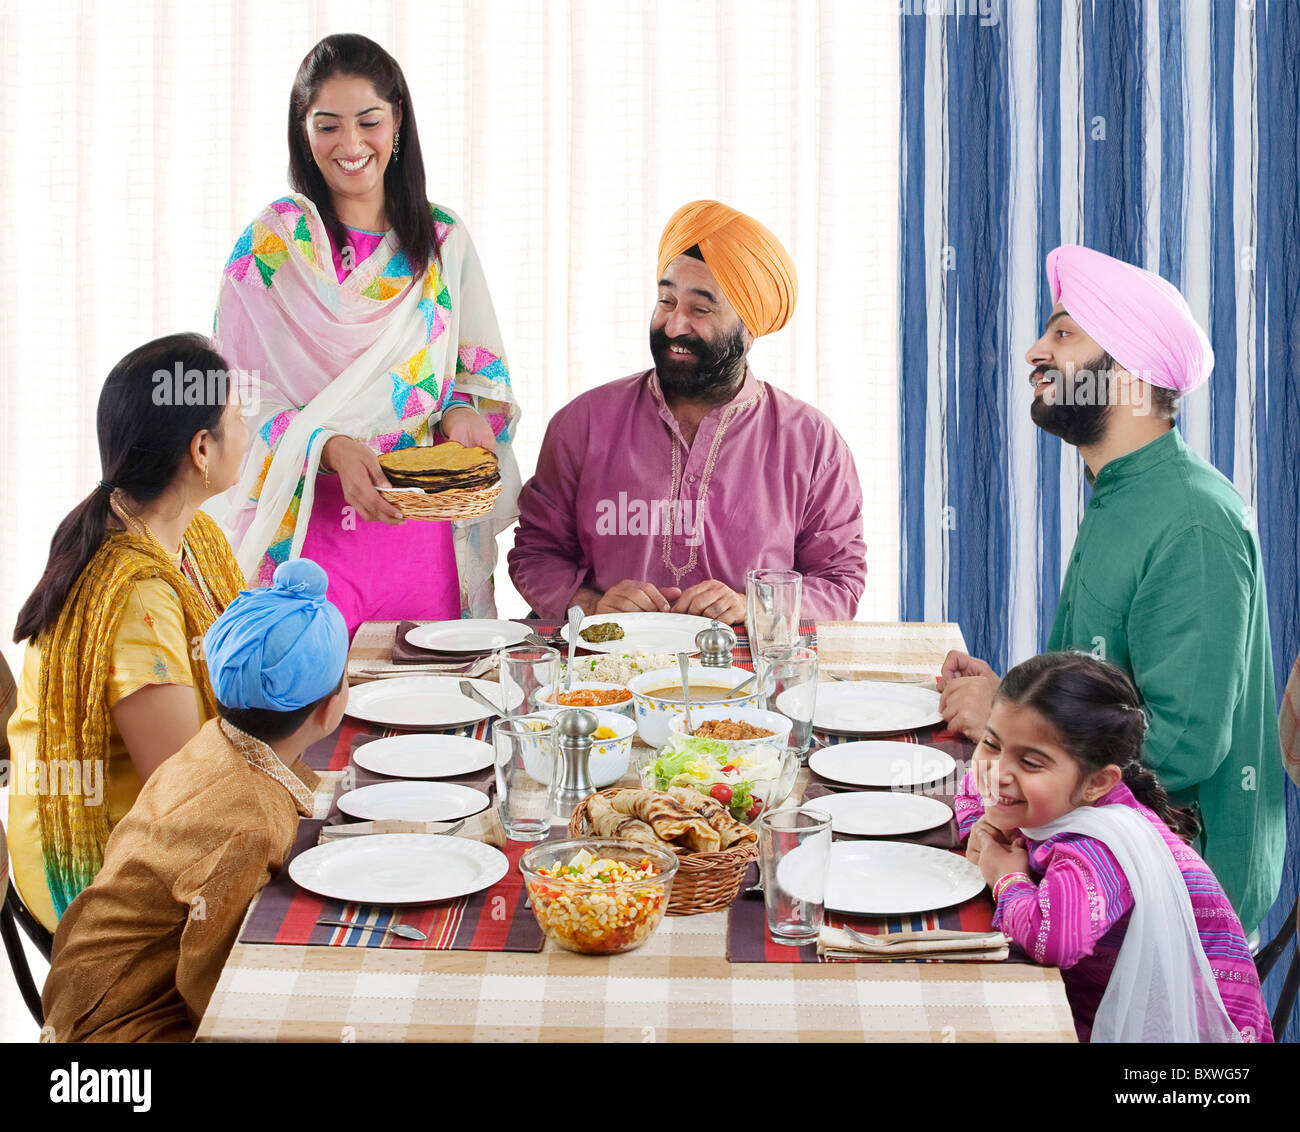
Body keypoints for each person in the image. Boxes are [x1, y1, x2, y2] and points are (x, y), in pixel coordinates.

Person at [940, 245, 1285, 935]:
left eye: (1064, 333)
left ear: (1128, 376)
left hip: (1177, 881)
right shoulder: (1123, 490)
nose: (1035, 351)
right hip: (1093, 838)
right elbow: (1104, 696)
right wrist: (1013, 695)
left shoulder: (1192, 521)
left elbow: (1182, 746)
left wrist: (1005, 727)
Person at [216, 33, 520, 637]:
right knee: (308, 717)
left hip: (424, 538)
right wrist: (327, 445)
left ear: (398, 121)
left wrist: (463, 412)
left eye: (368, 121)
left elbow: (473, 372)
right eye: (327, 125)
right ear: (303, 132)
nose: (351, 145)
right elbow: (236, 398)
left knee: (445, 713)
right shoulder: (271, 249)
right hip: (306, 539)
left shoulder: (440, 241)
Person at [508, 200, 866, 623]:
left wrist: (756, 606)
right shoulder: (583, 423)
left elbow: (840, 580)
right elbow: (536, 552)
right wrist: (590, 605)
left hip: (746, 677)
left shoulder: (810, 442)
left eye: (700, 309)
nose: (675, 326)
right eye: (666, 301)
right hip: (600, 675)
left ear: (748, 329)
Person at [40, 559, 347, 1043]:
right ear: (332, 708)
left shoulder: (213, 742)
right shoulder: (251, 823)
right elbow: (215, 987)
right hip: (121, 1025)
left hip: (83, 992)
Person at [6, 334, 248, 934]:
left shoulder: (190, 539)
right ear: (201, 449)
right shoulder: (136, 593)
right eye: (240, 416)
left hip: (152, 819)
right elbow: (187, 798)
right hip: (99, 874)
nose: (251, 429)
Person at [958, 652, 1271, 1043]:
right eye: (991, 742)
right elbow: (974, 785)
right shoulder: (1058, 797)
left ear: (1097, 783)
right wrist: (985, 832)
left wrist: (1005, 877)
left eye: (1032, 763)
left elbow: (1055, 940)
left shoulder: (1099, 844)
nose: (999, 772)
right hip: (1100, 999)